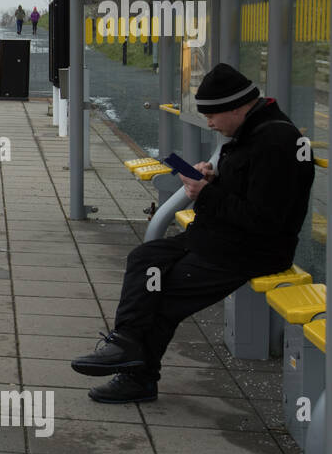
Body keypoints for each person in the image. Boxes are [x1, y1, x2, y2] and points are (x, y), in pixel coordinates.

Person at [70, 63, 315, 403]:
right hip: (219, 237)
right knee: (145, 258)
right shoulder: (250, 132)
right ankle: (124, 344)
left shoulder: (277, 142)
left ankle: (137, 377)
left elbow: (264, 219)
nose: (209, 123)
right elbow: (245, 193)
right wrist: (213, 179)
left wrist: (206, 192)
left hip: (250, 250)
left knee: (162, 297)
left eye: (212, 115)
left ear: (235, 107)